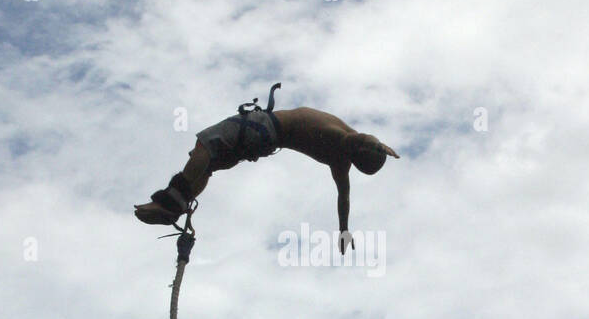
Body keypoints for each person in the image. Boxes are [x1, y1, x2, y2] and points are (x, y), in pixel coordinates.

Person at [134, 84, 399, 251]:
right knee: (209, 164)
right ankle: (179, 203)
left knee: (205, 145)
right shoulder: (341, 162)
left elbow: (364, 139)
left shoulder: (344, 139)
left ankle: (170, 202)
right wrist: (343, 228)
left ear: (360, 152)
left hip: (263, 127)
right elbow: (344, 196)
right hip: (263, 142)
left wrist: (380, 146)